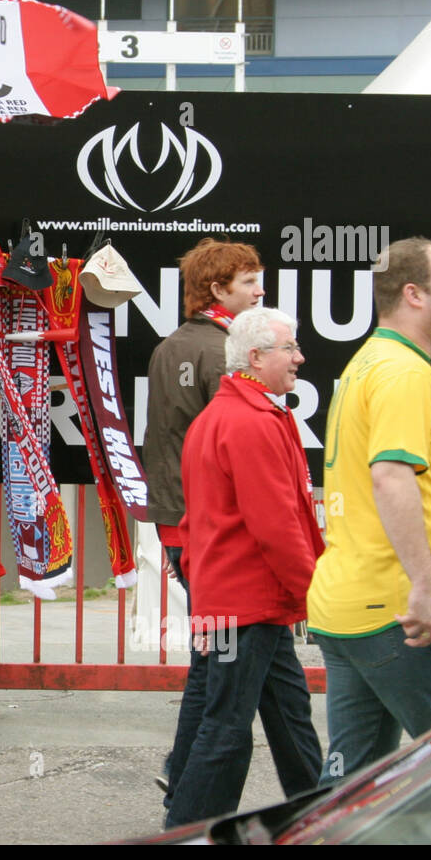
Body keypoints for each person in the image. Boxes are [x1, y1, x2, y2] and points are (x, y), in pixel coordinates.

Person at [309, 236, 431, 784]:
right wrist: (424, 587)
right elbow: (389, 475)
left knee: (351, 791)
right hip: (399, 613)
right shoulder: (405, 372)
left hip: (352, 606)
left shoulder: (366, 363)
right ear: (413, 294)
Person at [164, 308, 324, 827]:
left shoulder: (222, 416)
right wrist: (316, 594)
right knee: (227, 728)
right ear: (256, 357)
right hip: (247, 603)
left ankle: (318, 818)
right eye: (290, 348)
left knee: (289, 717)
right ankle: (186, 832)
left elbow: (199, 518)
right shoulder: (251, 422)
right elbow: (277, 525)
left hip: (245, 602)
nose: (300, 357)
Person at [145, 237, 263, 801]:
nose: (260, 291)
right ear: (217, 290)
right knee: (220, 660)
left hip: (179, 518)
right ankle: (189, 780)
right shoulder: (221, 352)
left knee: (212, 654)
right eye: (249, 282)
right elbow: (232, 446)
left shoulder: (171, 344)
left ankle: (181, 769)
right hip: (206, 524)